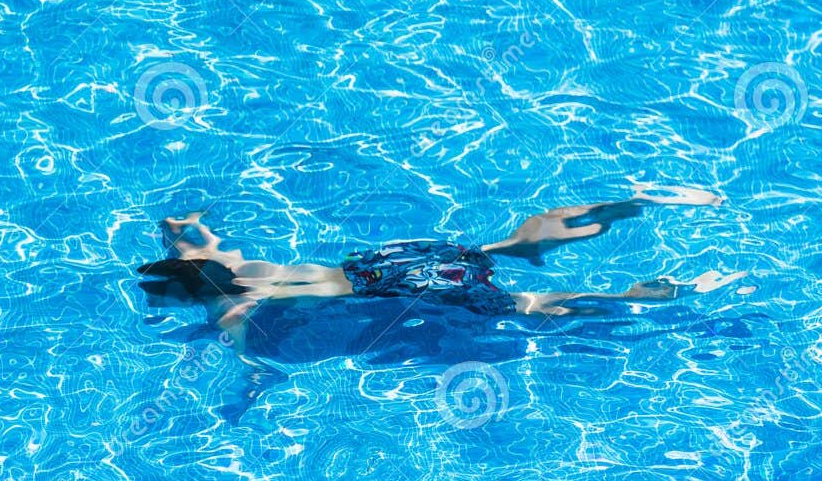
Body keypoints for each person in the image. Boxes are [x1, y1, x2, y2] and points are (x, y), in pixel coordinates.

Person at [137, 187, 742, 343]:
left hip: (400, 292)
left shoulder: (232, 308)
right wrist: (179, 229)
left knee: (529, 307)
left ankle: (650, 295)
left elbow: (249, 359)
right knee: (512, 248)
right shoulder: (218, 263)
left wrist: (243, 394)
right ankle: (633, 203)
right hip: (388, 262)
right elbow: (187, 235)